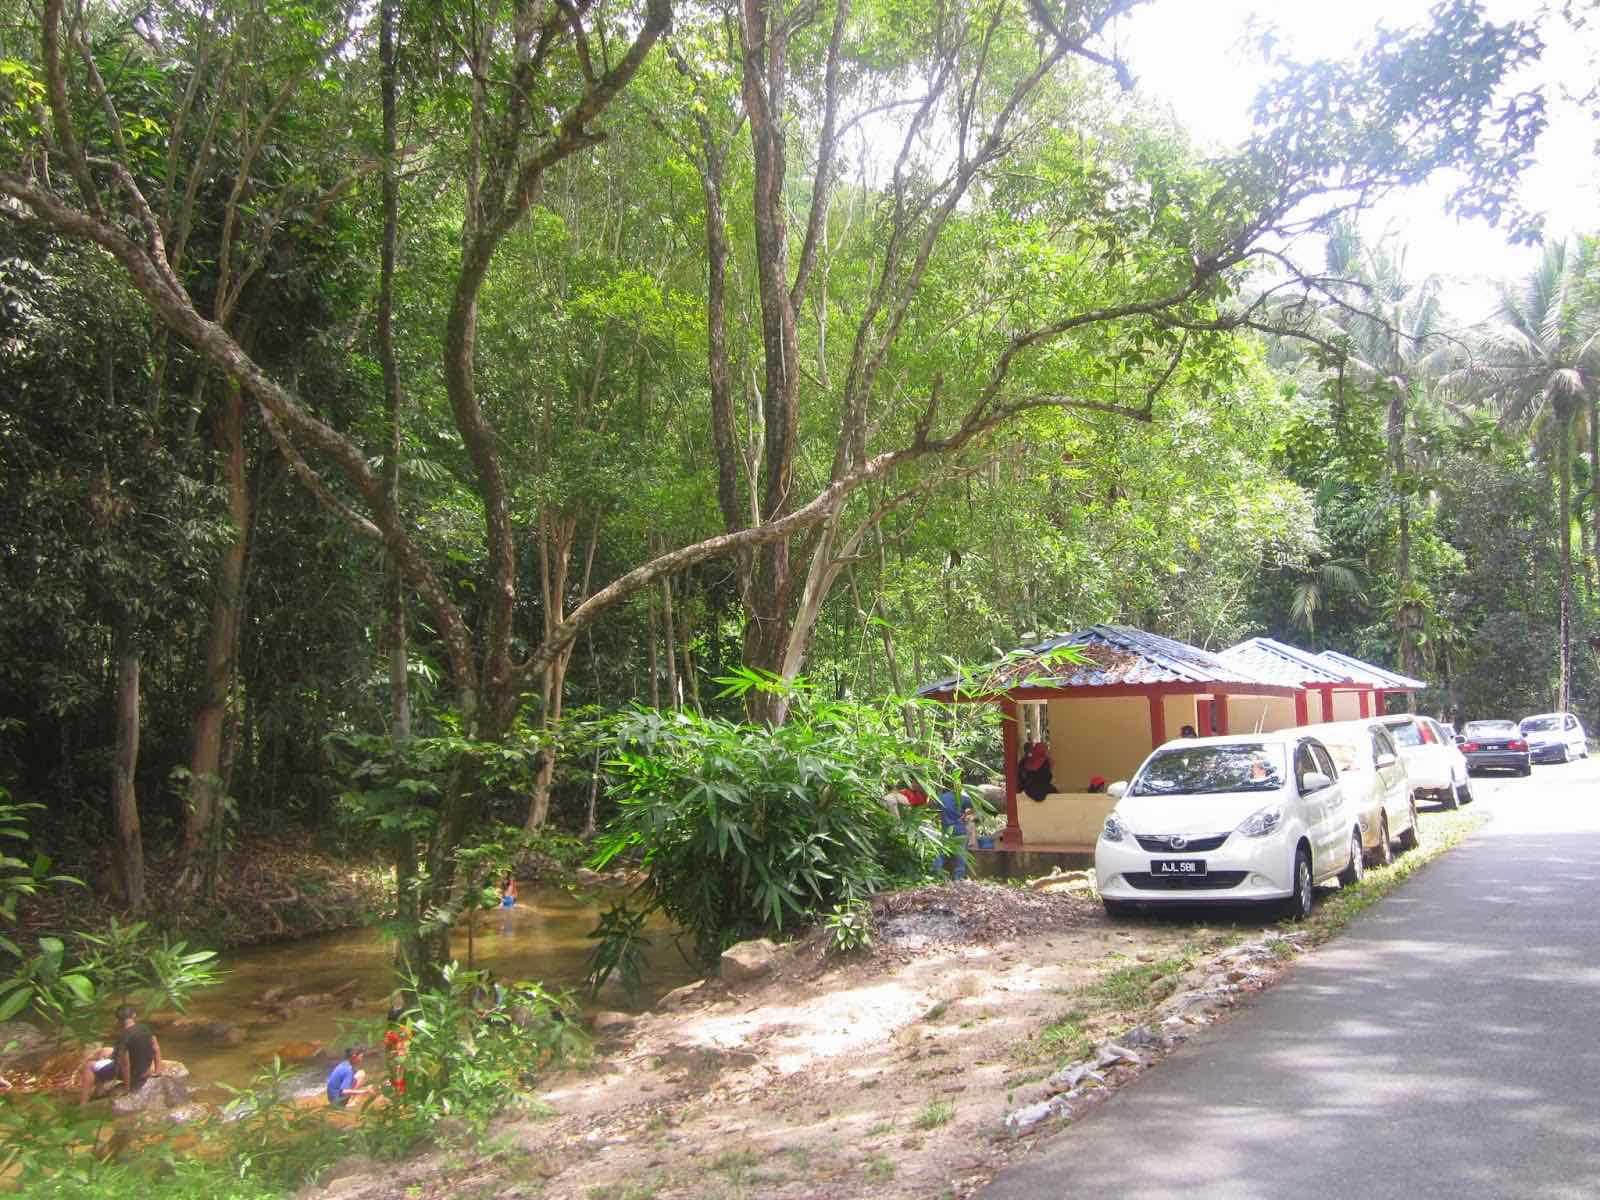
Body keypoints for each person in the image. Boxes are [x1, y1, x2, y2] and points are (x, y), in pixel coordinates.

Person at [78, 1004, 161, 1106]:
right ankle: (99, 1091)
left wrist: (127, 1087)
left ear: (118, 1020)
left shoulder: (124, 1036)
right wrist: (157, 1071)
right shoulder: (145, 1028)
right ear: (134, 1015)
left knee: (89, 1066)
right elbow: (156, 1049)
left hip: (134, 1075)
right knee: (105, 1052)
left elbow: (125, 1064)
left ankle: (83, 1104)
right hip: (145, 1071)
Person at [932, 788, 970, 880]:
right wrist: (965, 815)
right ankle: (958, 877)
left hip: (946, 829)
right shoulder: (962, 798)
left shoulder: (941, 798)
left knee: (941, 852)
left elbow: (934, 808)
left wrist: (939, 817)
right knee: (961, 853)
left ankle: (937, 873)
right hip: (959, 828)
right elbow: (977, 806)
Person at [327, 1044, 375, 1108]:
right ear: (354, 1056)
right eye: (361, 1056)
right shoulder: (348, 1070)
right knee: (361, 1074)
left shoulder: (343, 1064)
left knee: (360, 1073)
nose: (362, 1059)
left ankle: (348, 1100)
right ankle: (349, 1102)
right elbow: (343, 1092)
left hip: (332, 1097)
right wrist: (364, 1091)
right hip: (337, 1101)